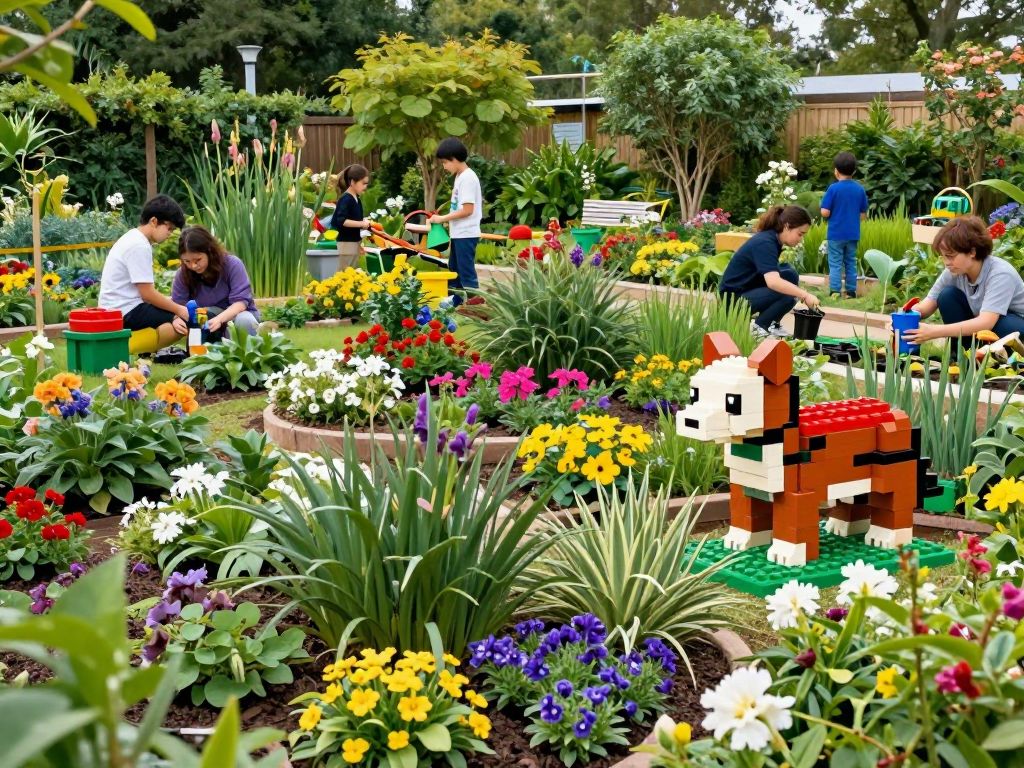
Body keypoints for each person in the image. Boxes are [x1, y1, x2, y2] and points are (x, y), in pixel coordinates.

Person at [901, 215, 1024, 348]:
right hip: (986, 328)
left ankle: (1003, 362)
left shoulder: (1000, 273)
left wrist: (933, 331)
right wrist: (906, 317)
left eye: (951, 256)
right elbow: (928, 304)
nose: (946, 262)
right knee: (947, 296)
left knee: (1004, 324)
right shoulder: (954, 271)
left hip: (1015, 326)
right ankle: (962, 356)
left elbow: (986, 322)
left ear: (972, 252)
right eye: (943, 257)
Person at [719, 205, 821, 340]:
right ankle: (759, 328)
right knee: (787, 295)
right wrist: (805, 295)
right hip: (733, 300)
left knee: (789, 274)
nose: (800, 239)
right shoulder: (765, 243)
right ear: (787, 226)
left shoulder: (773, 239)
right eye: (800, 234)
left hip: (746, 289)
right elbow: (773, 282)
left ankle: (772, 323)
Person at [99, 194, 188, 349]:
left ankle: (138, 348)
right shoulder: (139, 245)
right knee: (184, 318)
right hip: (124, 312)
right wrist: (178, 311)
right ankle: (131, 348)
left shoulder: (133, 238)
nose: (170, 234)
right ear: (154, 221)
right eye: (169, 228)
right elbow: (147, 294)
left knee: (175, 311)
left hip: (118, 308)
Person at [171, 225, 260, 339]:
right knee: (204, 317)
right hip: (208, 317)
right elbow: (178, 305)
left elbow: (240, 303)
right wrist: (176, 319)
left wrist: (220, 319)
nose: (193, 266)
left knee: (244, 321)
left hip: (239, 314)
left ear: (209, 251)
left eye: (198, 260)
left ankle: (251, 353)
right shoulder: (183, 274)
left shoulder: (232, 264)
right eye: (187, 261)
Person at [428, 137, 484, 307]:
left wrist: (442, 218)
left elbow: (468, 210)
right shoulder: (460, 176)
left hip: (466, 233)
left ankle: (476, 307)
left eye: (445, 162)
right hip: (459, 233)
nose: (444, 167)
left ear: (454, 159)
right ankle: (456, 302)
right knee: (455, 269)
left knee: (466, 272)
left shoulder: (468, 178)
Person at [820, 151, 869, 299]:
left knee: (835, 263)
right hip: (853, 234)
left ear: (836, 171)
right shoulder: (859, 189)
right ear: (854, 171)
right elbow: (863, 215)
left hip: (835, 234)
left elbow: (825, 212)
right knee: (850, 262)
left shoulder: (833, 189)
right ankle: (851, 291)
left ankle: (835, 291)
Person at [329, 164, 371, 270]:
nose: (365, 186)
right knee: (345, 275)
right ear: (352, 182)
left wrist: (358, 244)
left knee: (352, 273)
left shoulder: (356, 198)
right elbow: (342, 221)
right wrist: (362, 224)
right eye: (363, 183)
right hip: (346, 243)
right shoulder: (346, 199)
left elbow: (354, 221)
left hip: (353, 243)